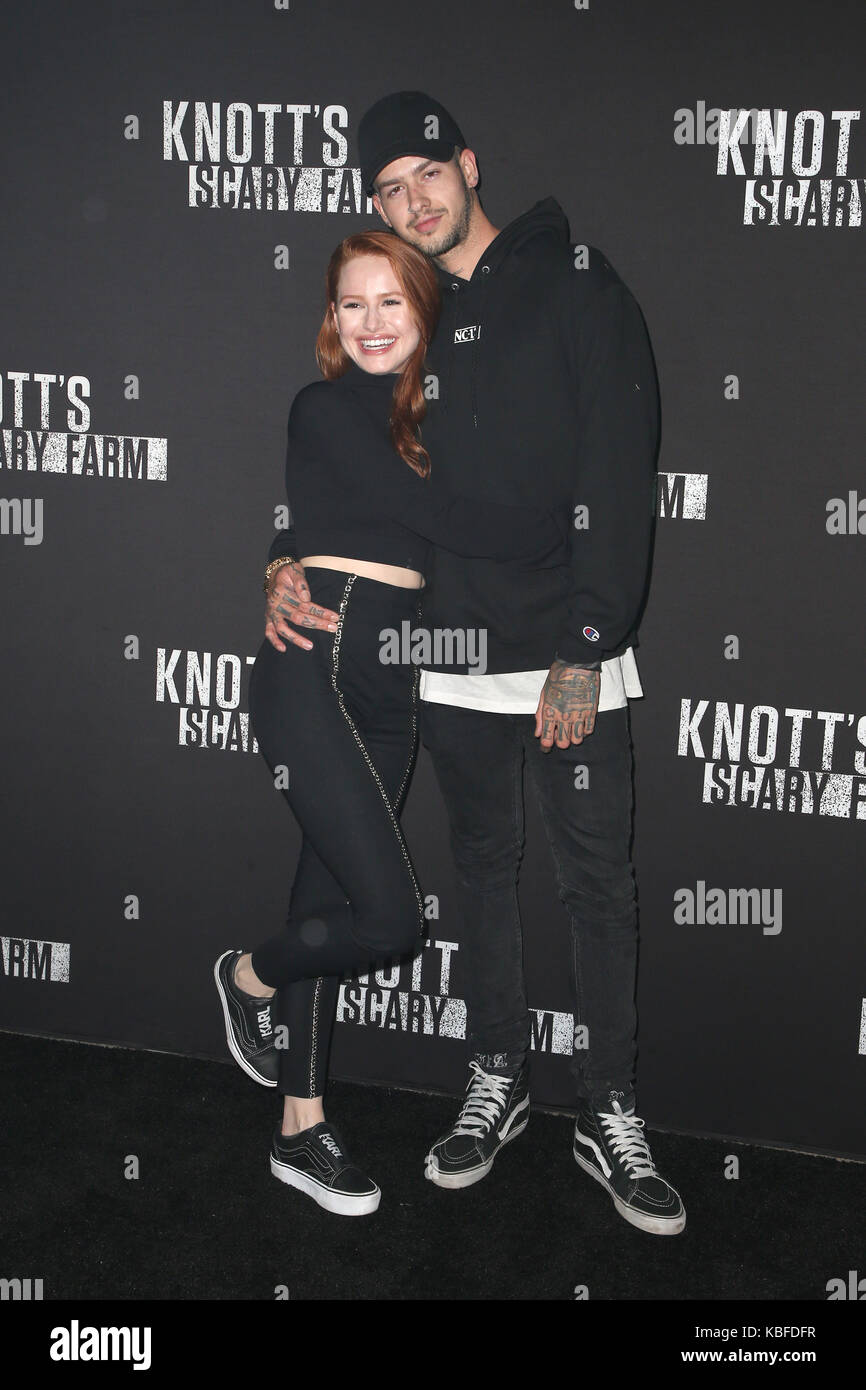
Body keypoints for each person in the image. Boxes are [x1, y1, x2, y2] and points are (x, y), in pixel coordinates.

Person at [263, 92, 686, 1236]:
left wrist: (584, 647)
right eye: (389, 191)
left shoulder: (580, 286)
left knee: (597, 885)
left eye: (426, 175)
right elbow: (343, 458)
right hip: (443, 655)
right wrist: (278, 558)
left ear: (467, 164)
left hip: (566, 653)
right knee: (483, 878)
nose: (413, 202)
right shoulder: (415, 313)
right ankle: (491, 1080)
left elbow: (618, 464)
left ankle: (611, 1111)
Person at [214, 229, 565, 1216]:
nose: (368, 323)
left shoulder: (444, 421)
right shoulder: (322, 405)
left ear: (424, 311)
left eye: (390, 302)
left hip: (393, 677)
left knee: (325, 894)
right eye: (349, 304)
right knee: (389, 917)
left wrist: (279, 549)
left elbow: (413, 512)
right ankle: (244, 978)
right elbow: (434, 514)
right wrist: (554, 517)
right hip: (316, 655)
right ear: (329, 319)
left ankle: (299, 1129)